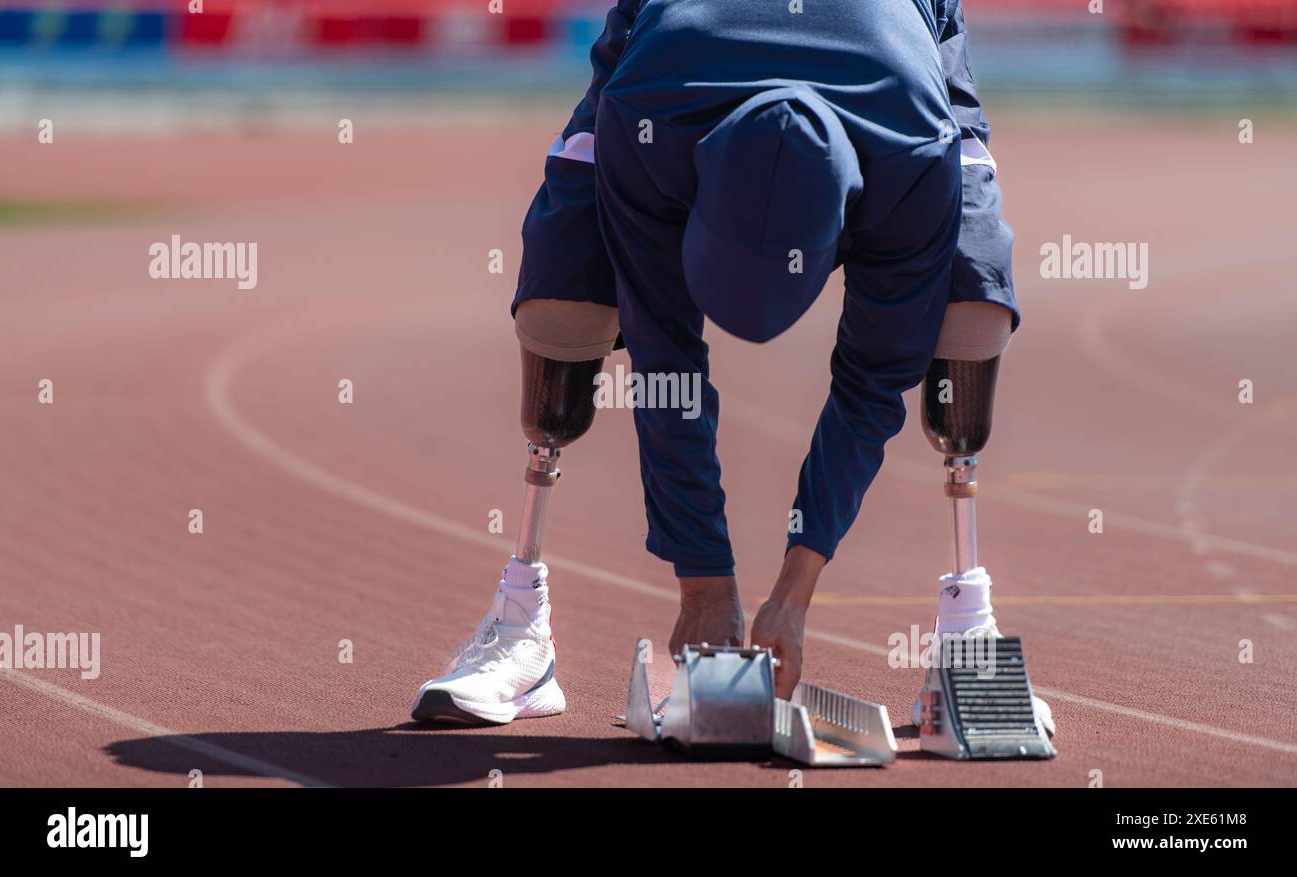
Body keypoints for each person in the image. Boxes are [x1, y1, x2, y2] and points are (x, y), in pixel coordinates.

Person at [412, 0, 1048, 735]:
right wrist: (703, 581)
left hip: (900, 50)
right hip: (669, 61)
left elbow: (871, 380)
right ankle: (522, 626)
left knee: (969, 313)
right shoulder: (643, 117)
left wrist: (795, 586)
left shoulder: (915, 155)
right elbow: (664, 358)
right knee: (564, 305)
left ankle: (966, 634)